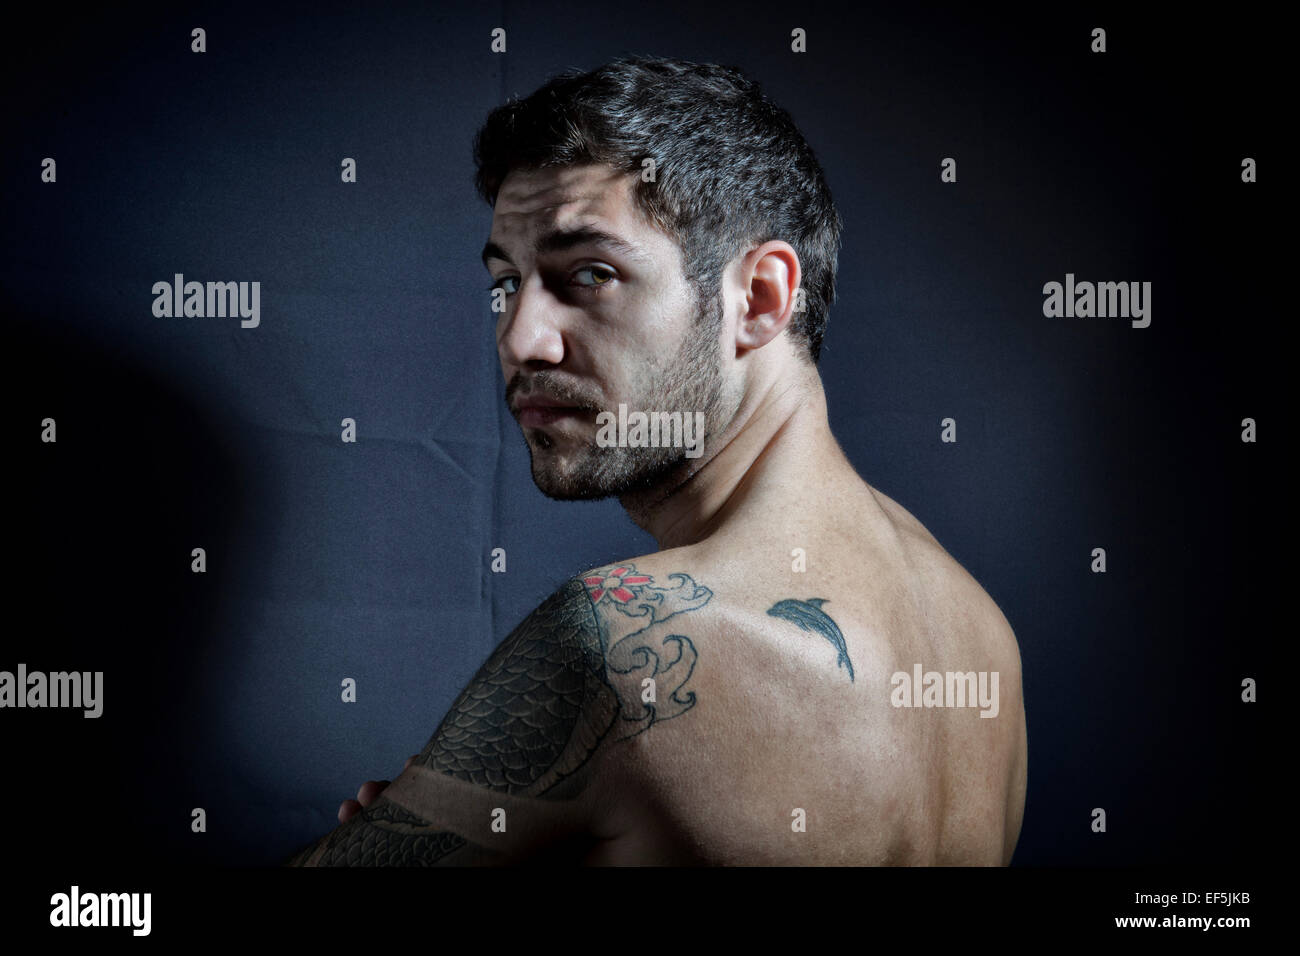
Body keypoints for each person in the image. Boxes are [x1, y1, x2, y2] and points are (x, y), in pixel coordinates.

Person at [287, 55, 1026, 866]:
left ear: (760, 299)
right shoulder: (977, 631)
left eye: (591, 274)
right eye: (507, 283)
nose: (520, 338)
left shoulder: (616, 642)